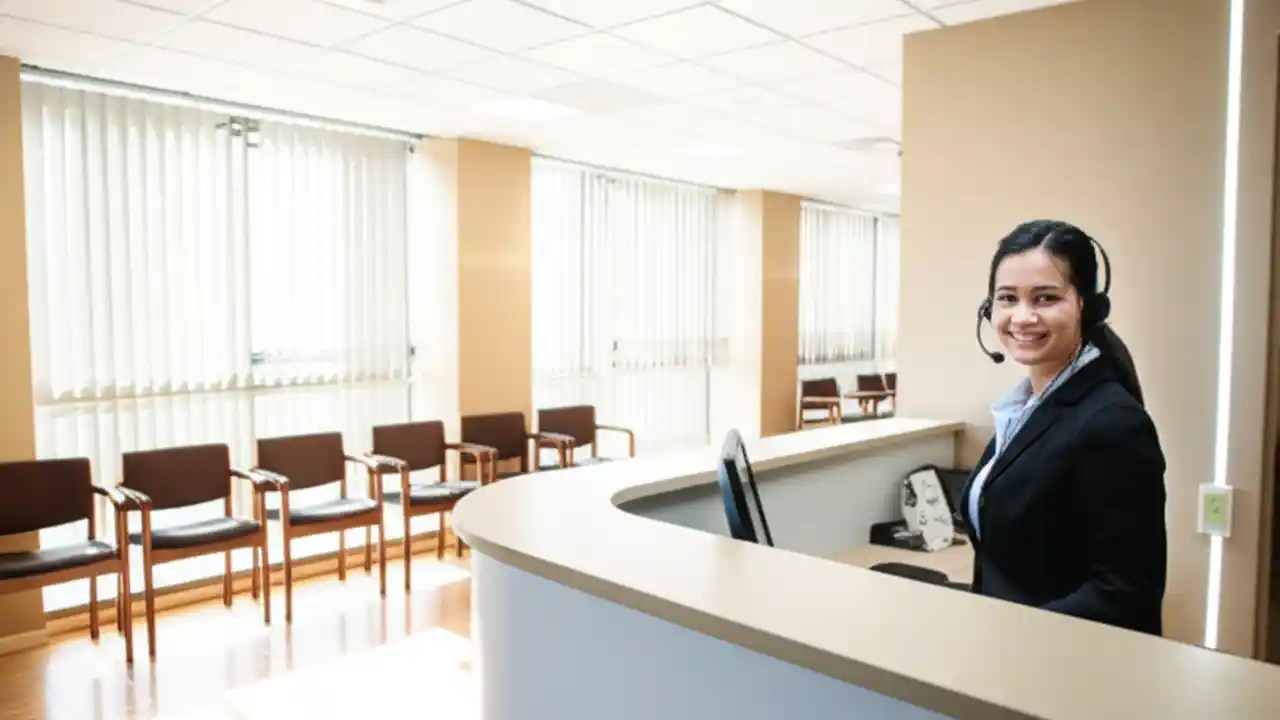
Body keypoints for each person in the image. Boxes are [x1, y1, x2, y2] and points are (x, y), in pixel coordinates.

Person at [961, 219, 1167, 636]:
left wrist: (1015, 633)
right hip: (1005, 650)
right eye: (1007, 298)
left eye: (1046, 298)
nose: (1022, 316)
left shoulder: (1111, 422)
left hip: (1059, 666)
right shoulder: (1027, 408)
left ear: (1086, 306)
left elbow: (1126, 592)